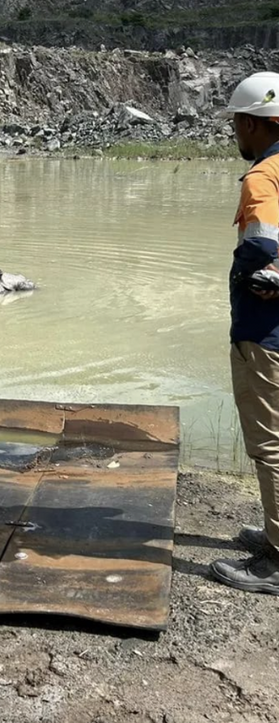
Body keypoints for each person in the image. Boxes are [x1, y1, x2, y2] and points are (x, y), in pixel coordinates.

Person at [211, 71, 279, 594]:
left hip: (265, 331)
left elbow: (261, 251)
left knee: (270, 445)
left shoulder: (262, 178)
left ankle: (276, 560)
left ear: (254, 124)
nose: (235, 132)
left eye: (237, 122)